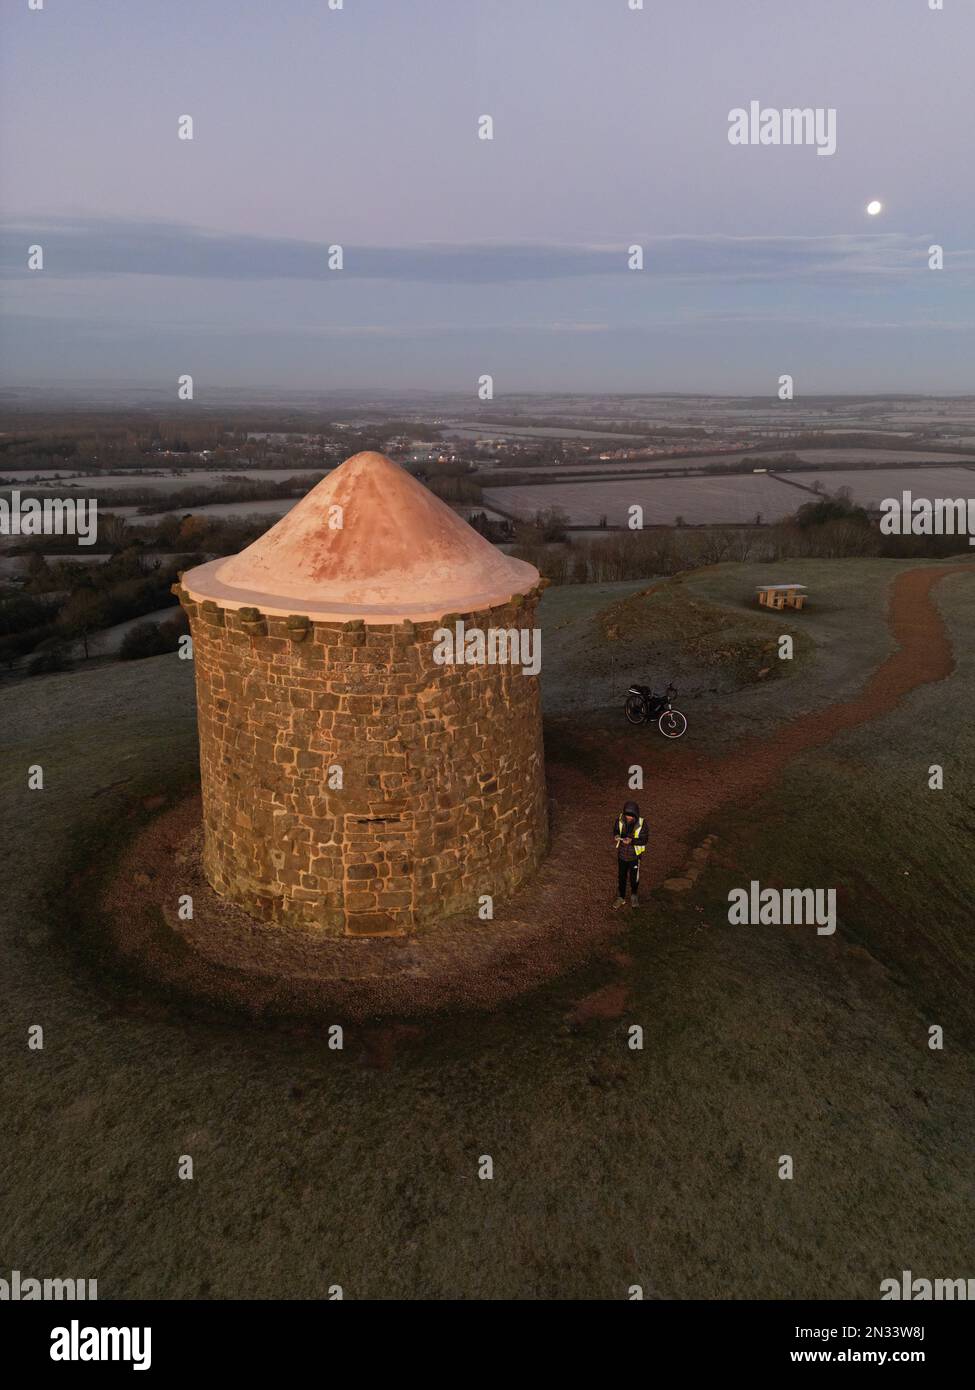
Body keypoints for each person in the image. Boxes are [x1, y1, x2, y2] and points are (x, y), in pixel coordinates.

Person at [613, 800, 648, 908]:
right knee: (621, 877)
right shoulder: (619, 820)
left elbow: (644, 840)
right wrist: (616, 836)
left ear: (636, 815)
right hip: (622, 856)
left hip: (634, 857)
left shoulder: (642, 824)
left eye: (631, 816)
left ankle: (634, 895)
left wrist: (631, 841)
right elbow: (615, 831)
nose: (628, 817)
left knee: (634, 878)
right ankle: (621, 897)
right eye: (627, 815)